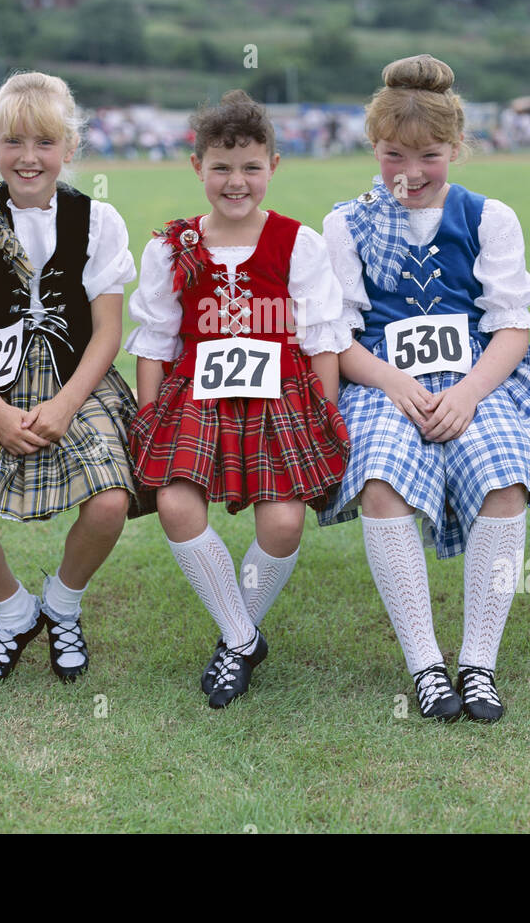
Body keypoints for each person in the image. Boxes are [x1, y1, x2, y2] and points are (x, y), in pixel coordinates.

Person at [320, 55, 530, 723]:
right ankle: (425, 665)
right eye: (392, 155)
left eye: (429, 155)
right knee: (381, 477)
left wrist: (467, 393)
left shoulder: (489, 216)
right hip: (384, 379)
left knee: (502, 477)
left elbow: (512, 328)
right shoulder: (346, 224)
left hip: (478, 376)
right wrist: (391, 381)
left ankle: (478, 660)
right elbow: (336, 335)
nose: (410, 171)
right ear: (372, 148)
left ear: (458, 148)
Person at [0, 71, 148, 688]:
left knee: (109, 502)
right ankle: (15, 612)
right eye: (14, 142)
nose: (29, 157)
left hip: (76, 379)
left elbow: (107, 333)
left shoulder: (98, 220)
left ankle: (63, 604)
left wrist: (69, 403)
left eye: (45, 143)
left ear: (69, 150)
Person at [128, 89, 350, 709]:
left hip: (279, 393)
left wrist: (324, 412)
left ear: (273, 166)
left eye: (251, 166)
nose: (236, 181)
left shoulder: (296, 242)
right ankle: (240, 638)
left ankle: (234, 639)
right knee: (175, 504)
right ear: (197, 166)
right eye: (221, 167)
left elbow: (323, 335)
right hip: (197, 392)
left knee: (283, 520)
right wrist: (149, 413)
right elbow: (155, 338)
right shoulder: (172, 246)